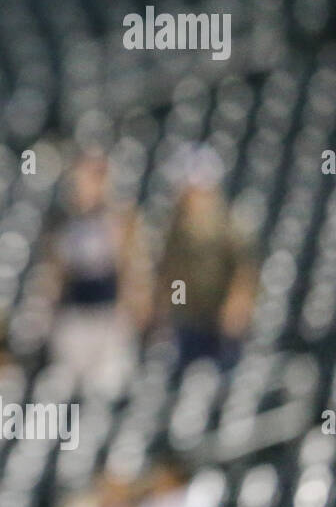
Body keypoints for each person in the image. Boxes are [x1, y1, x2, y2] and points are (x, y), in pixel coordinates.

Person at [41, 149, 149, 397]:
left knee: (107, 385)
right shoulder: (60, 222)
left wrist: (133, 309)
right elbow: (55, 274)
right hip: (74, 313)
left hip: (109, 315)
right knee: (67, 387)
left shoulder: (121, 219)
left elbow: (131, 268)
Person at [153, 145, 258, 373]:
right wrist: (172, 308)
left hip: (219, 319)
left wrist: (236, 307)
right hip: (189, 319)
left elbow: (242, 272)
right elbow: (172, 274)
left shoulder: (229, 226)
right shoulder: (175, 230)